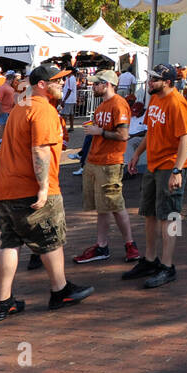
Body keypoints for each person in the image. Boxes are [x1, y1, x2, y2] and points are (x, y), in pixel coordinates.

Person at [0, 62, 93, 320]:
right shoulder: (42, 110)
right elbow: (40, 150)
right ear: (42, 85)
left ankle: (4, 301)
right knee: (50, 240)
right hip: (29, 188)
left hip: (5, 187)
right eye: (57, 81)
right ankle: (60, 290)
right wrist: (44, 187)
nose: (63, 85)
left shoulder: (20, 107)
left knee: (10, 243)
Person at [125, 64, 187, 288]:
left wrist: (177, 170)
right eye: (150, 78)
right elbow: (151, 131)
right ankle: (150, 259)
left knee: (172, 215)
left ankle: (168, 265)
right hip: (154, 164)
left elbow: (185, 137)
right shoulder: (155, 99)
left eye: (155, 79)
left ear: (168, 82)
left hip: (171, 165)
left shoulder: (177, 102)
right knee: (149, 213)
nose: (150, 82)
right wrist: (137, 154)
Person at [72, 70, 140, 265]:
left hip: (110, 161)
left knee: (115, 204)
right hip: (96, 160)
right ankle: (102, 245)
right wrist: (96, 131)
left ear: (107, 84)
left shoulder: (118, 104)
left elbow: (123, 135)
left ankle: (129, 244)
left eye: (96, 84)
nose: (93, 87)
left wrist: (99, 131)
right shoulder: (103, 105)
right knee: (103, 207)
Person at [0, 69, 18, 148]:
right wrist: (0, 110)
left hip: (6, 110)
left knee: (3, 126)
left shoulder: (7, 87)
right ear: (11, 79)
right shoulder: (3, 87)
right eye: (14, 79)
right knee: (3, 126)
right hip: (3, 110)